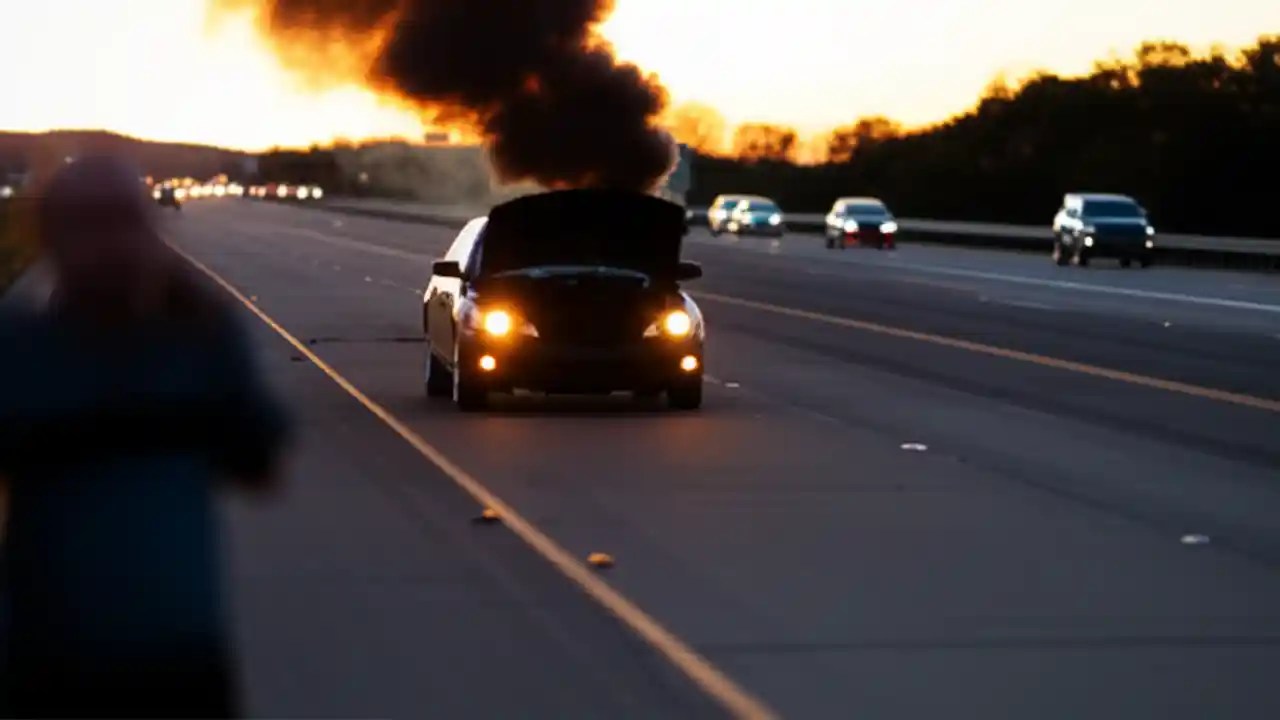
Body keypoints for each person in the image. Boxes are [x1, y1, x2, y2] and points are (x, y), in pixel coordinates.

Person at [0, 155, 290, 717]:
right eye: (92, 223)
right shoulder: (19, 348)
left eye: (123, 222)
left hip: (174, 658)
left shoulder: (198, 339)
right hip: (53, 657)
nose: (110, 244)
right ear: (52, 237)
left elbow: (261, 462)